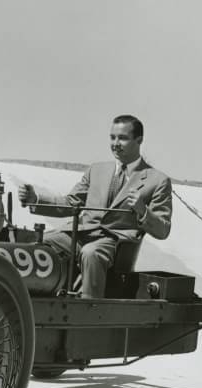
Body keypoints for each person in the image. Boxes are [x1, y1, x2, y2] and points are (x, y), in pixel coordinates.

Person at [18, 114, 173, 298]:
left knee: (91, 253)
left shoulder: (157, 180)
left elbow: (163, 229)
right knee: (35, 244)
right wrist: (35, 199)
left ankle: (89, 309)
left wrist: (142, 210)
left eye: (122, 138)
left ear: (139, 140)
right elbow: (71, 203)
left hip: (114, 243)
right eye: (112, 137)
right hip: (80, 234)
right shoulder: (96, 170)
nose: (115, 143)